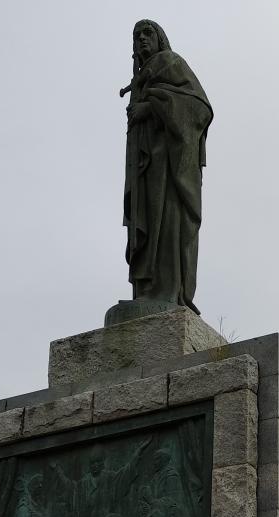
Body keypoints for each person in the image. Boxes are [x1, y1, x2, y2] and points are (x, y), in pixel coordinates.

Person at [121, 19, 212, 313]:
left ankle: (168, 291)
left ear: (161, 39)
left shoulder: (170, 62)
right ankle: (146, 290)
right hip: (147, 168)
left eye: (148, 33)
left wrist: (151, 106)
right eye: (137, 36)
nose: (142, 39)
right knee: (147, 225)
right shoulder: (141, 78)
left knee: (169, 224)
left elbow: (199, 107)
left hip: (171, 168)